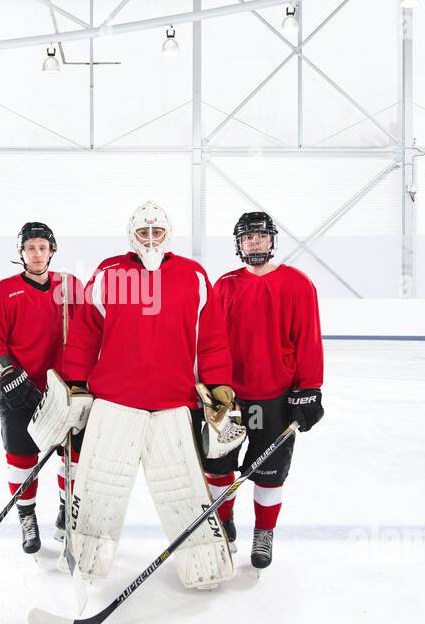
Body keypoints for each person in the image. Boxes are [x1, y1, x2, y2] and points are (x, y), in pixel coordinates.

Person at [28, 201, 240, 589]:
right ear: (132, 236)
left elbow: (211, 339)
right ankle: (86, 561)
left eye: (158, 232)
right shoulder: (109, 273)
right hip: (114, 402)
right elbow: (85, 332)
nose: (151, 240)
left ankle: (204, 565)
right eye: (144, 232)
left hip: (173, 403)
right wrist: (76, 383)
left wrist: (219, 385)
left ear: (168, 235)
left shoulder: (193, 276)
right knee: (99, 488)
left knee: (184, 490)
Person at [204, 211, 324, 570]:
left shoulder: (297, 284)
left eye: (260, 235)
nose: (254, 241)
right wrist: (207, 385)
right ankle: (223, 523)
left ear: (272, 240)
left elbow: (308, 341)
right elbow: (208, 342)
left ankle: (263, 532)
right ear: (239, 244)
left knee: (270, 473)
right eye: (247, 237)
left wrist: (310, 389)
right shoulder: (224, 285)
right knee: (217, 467)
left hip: (276, 396)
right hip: (229, 398)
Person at [0, 222, 84, 554]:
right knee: (21, 459)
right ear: (21, 253)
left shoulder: (70, 286)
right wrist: (10, 375)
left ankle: (66, 509)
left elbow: (90, 331)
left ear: (51, 251)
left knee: (72, 456)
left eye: (42, 247)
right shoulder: (2, 292)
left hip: (63, 392)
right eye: (30, 248)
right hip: (19, 391)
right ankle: (27, 517)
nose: (36, 254)